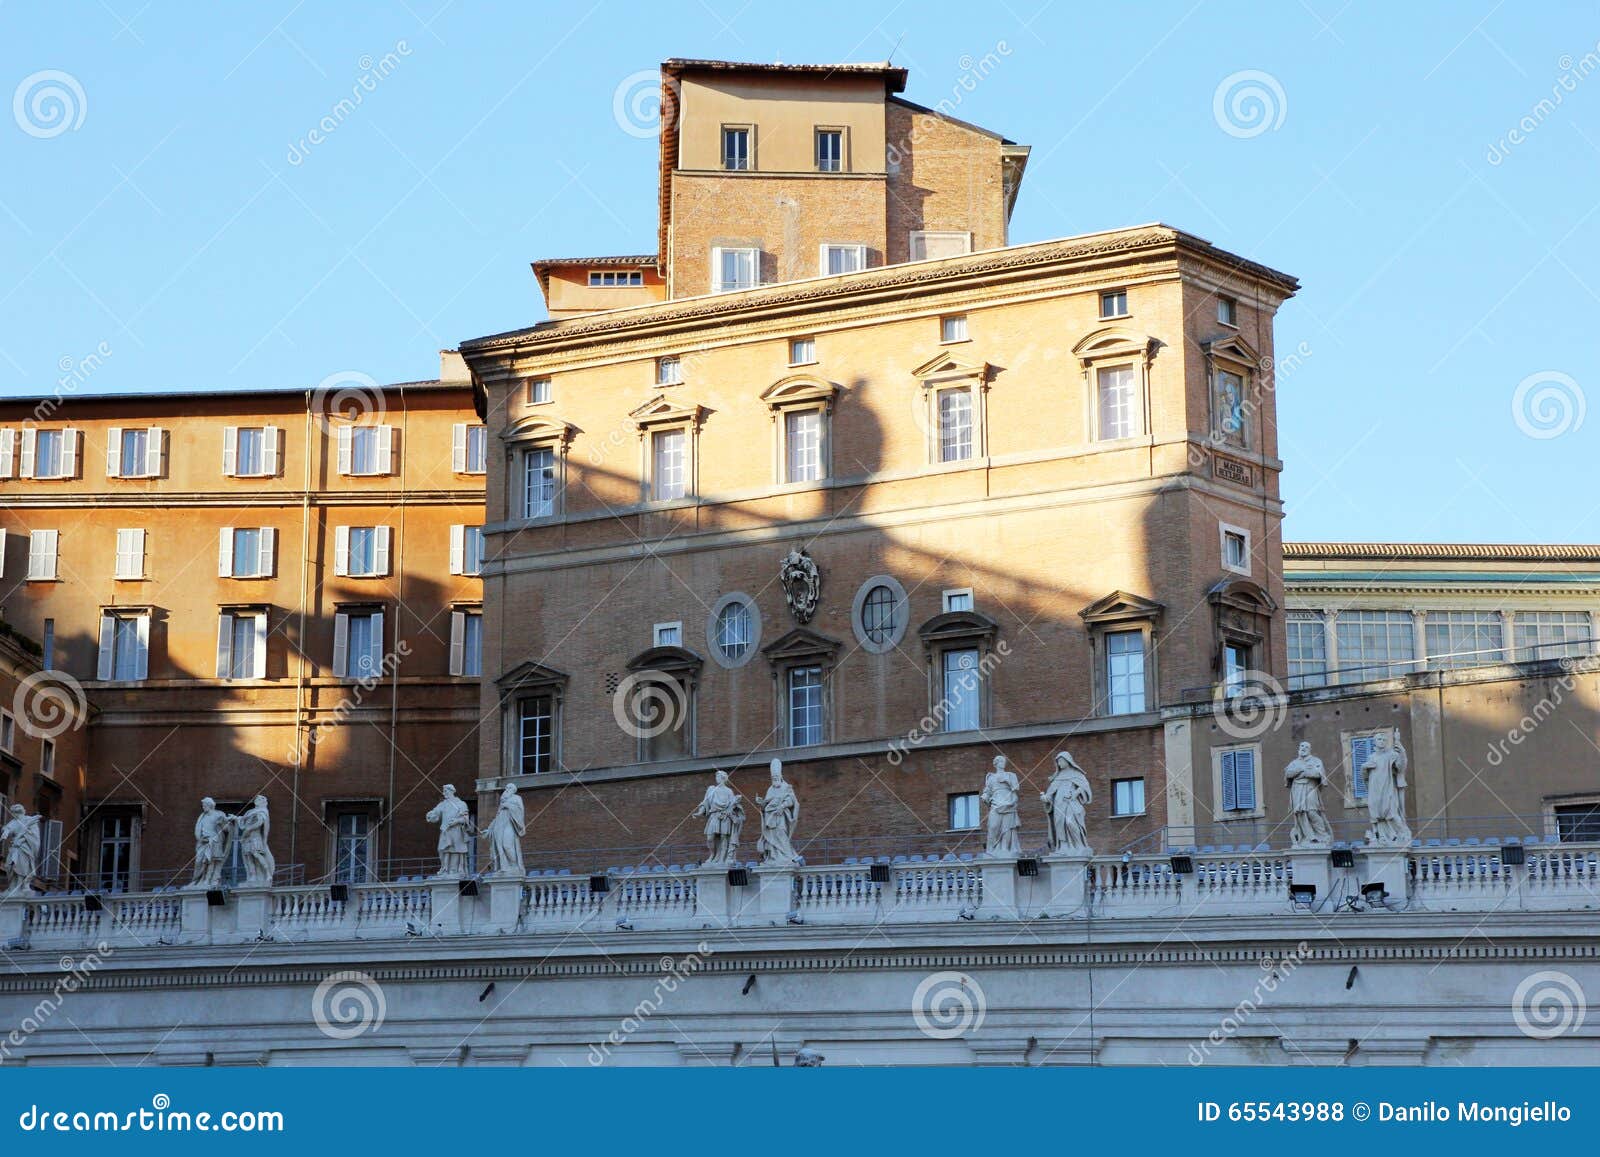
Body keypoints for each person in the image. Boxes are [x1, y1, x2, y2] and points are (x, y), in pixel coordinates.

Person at [1362, 730, 1411, 846]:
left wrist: (1401, 750)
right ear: (1374, 742)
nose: (1382, 741)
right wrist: (1363, 768)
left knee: (1392, 813)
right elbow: (1365, 777)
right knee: (1376, 814)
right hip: (1374, 789)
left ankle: (1403, 834)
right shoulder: (1371, 757)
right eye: (1379, 739)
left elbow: (1400, 767)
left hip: (1388, 787)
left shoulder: (1391, 755)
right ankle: (1381, 836)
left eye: (1384, 740)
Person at [1041, 752, 1093, 856]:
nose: (1059, 764)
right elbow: (1051, 791)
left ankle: (1079, 846)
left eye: (1060, 761)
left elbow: (1085, 787)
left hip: (1071, 802)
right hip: (1058, 803)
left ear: (1067, 760)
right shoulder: (1058, 776)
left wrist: (1074, 794)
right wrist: (1045, 797)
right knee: (1059, 824)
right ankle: (1063, 847)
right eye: (1058, 762)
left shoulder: (1077, 774)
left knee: (1071, 822)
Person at [1283, 742, 1333, 849]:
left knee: (1312, 812)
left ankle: (1322, 835)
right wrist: (1301, 769)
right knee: (1300, 813)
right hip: (1297, 790)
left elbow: (1318, 774)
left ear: (1310, 749)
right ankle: (1309, 837)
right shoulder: (1294, 762)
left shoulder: (1316, 761)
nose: (1303, 748)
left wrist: (1304, 772)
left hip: (1310, 789)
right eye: (1301, 746)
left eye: (1306, 747)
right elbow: (1288, 773)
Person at [693, 770, 745, 866]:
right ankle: (713, 855)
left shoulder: (729, 791)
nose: (716, 779)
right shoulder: (711, 790)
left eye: (718, 777)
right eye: (716, 777)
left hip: (725, 817)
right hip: (714, 815)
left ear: (723, 779)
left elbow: (733, 805)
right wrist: (699, 812)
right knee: (710, 837)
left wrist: (734, 805)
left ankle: (722, 859)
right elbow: (705, 803)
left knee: (724, 838)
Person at [756, 759, 800, 867]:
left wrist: (781, 806)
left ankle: (787, 856)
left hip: (780, 816)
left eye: (776, 777)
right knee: (771, 837)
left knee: (781, 834)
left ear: (780, 776)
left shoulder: (786, 787)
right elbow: (766, 804)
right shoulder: (770, 789)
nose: (774, 779)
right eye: (773, 778)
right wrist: (761, 803)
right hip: (769, 817)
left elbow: (791, 801)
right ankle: (773, 857)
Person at [426, 785, 474, 877]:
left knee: (455, 850)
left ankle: (453, 870)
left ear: (452, 791)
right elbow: (435, 814)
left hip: (456, 831)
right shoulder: (443, 804)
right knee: (442, 849)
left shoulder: (461, 804)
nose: (444, 793)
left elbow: (466, 819)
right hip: (445, 831)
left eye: (446, 791)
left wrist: (456, 821)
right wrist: (431, 814)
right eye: (443, 791)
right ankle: (444, 869)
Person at [981, 756, 1022, 858]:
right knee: (993, 827)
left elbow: (1016, 787)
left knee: (1007, 828)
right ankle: (991, 850)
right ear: (995, 763)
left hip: (1009, 802)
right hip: (996, 803)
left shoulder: (1011, 775)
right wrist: (985, 796)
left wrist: (1006, 781)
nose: (1003, 763)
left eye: (1004, 761)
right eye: (1001, 761)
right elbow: (987, 791)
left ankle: (1005, 849)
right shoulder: (990, 777)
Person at [481, 783, 525, 876]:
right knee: (499, 847)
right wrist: (489, 829)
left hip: (509, 824)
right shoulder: (503, 801)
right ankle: (504, 867)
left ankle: (514, 866)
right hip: (499, 825)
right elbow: (497, 816)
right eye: (506, 788)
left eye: (509, 788)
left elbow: (520, 812)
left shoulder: (517, 798)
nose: (507, 789)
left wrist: (508, 806)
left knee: (507, 845)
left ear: (513, 789)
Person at [189, 797, 231, 889]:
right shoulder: (202, 816)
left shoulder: (219, 814)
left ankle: (208, 880)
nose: (203, 807)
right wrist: (200, 839)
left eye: (204, 805)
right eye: (203, 806)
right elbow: (198, 831)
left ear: (210, 805)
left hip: (215, 841)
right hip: (203, 842)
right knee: (199, 861)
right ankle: (197, 880)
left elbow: (228, 829)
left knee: (211, 861)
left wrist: (221, 824)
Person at [235, 796, 275, 887]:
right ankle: (253, 875)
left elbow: (260, 822)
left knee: (256, 854)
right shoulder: (250, 811)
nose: (256, 801)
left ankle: (268, 873)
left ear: (263, 802)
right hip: (247, 838)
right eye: (256, 800)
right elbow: (243, 821)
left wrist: (249, 829)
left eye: (259, 800)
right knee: (249, 856)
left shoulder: (263, 811)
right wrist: (236, 818)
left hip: (255, 836)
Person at [1, 804, 41, 894]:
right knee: (9, 866)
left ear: (23, 812)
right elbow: (8, 828)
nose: (16, 816)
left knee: (21, 866)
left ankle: (21, 886)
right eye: (14, 813)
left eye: (17, 813)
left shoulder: (30, 820)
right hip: (14, 848)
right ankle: (12, 886)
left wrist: (21, 839)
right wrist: (6, 832)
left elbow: (34, 836)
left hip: (24, 848)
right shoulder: (14, 821)